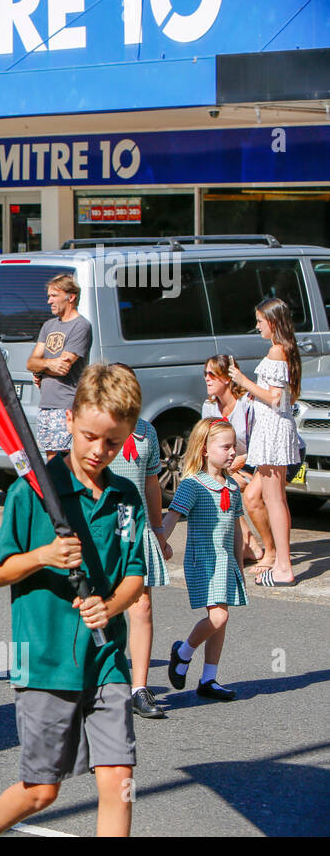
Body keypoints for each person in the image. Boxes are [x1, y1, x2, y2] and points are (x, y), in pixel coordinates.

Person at [0, 364, 145, 838]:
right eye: (91, 437)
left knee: (118, 780)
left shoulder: (125, 498)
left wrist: (111, 605)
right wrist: (43, 555)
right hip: (46, 660)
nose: (100, 451)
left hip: (106, 661)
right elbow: (0, 572)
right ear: (69, 421)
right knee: (42, 790)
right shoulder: (32, 493)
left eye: (113, 442)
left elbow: (134, 575)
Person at [159, 419, 247, 703]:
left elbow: (236, 529)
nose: (232, 451)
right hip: (203, 560)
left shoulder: (232, 486)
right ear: (206, 449)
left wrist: (239, 563)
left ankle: (209, 678)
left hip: (225, 561)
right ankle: (183, 652)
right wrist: (161, 541)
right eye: (226, 446)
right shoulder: (193, 485)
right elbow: (171, 516)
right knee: (218, 616)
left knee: (221, 621)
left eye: (234, 445)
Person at [107, 368, 172, 720]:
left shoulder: (147, 431)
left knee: (142, 605)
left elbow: (151, 485)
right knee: (98, 606)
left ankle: (139, 688)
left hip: (138, 525)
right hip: (104, 525)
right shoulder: (99, 427)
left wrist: (159, 530)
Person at [226, 299, 302, 587]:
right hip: (277, 427)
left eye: (260, 320)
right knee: (274, 498)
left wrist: (243, 381)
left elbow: (274, 397)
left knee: (274, 499)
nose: (257, 326)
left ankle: (283, 567)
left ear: (273, 321)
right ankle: (282, 562)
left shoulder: (277, 350)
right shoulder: (288, 350)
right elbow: (285, 397)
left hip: (272, 430)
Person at [202, 355, 267, 567]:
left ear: (227, 378)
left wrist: (241, 461)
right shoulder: (209, 406)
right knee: (219, 484)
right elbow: (208, 444)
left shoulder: (247, 403)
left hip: (262, 457)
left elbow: (263, 440)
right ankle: (248, 544)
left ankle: (270, 549)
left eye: (212, 374)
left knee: (247, 494)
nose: (207, 379)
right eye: (205, 374)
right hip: (234, 463)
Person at [26, 273, 92, 459]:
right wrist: (46, 365)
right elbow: (31, 362)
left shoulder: (81, 326)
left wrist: (40, 368)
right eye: (48, 296)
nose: (49, 301)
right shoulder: (48, 326)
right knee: (51, 460)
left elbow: (63, 366)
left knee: (64, 461)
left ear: (70, 297)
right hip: (46, 404)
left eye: (54, 296)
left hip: (66, 405)